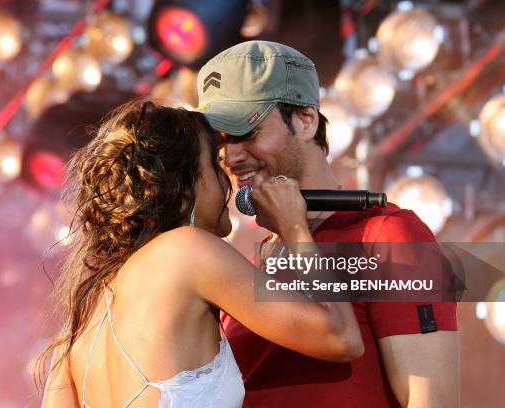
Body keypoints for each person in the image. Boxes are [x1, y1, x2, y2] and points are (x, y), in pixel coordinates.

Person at [39, 100, 364, 408]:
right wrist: (294, 229)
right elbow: (341, 337)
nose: (229, 184)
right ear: (183, 186)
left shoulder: (78, 325)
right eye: (214, 165)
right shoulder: (186, 249)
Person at [196, 40, 459, 407]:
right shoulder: (253, 263)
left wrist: (296, 232)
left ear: (305, 120)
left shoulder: (387, 235)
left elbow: (434, 402)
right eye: (221, 142)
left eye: (246, 133)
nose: (232, 156)